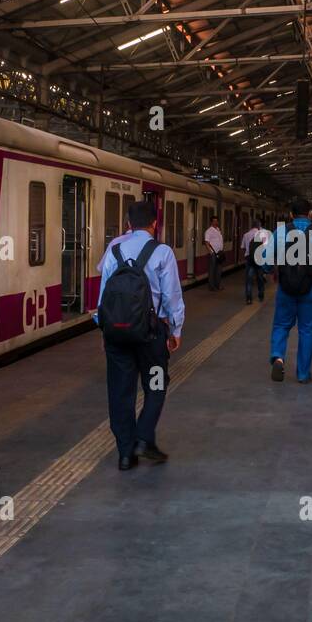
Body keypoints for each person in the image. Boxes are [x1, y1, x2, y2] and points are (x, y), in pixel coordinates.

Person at [97, 198, 185, 470]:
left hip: (118, 336)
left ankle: (125, 454)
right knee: (156, 384)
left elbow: (104, 294)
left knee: (120, 392)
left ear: (128, 224)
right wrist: (176, 328)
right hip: (151, 334)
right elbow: (172, 295)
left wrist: (103, 324)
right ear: (155, 223)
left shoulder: (114, 249)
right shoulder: (163, 252)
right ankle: (145, 438)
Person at [269, 198, 312, 384]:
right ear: (310, 214)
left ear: (291, 214)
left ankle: (278, 357)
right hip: (310, 287)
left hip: (285, 287)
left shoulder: (281, 231)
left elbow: (266, 260)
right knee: (307, 329)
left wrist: (273, 271)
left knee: (281, 325)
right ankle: (303, 374)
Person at [240, 217, 271, 304]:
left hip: (249, 260)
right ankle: (261, 295)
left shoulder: (246, 235)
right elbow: (266, 248)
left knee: (249, 279)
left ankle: (249, 298)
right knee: (260, 278)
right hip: (259, 259)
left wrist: (248, 254)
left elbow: (243, 247)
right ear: (258, 226)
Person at [204, 214, 224, 291]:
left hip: (220, 253)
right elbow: (206, 242)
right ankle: (212, 287)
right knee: (212, 270)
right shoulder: (209, 231)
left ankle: (218, 285)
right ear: (211, 222)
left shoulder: (218, 230)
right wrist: (211, 252)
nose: (216, 222)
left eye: (216, 221)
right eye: (214, 221)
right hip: (213, 254)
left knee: (219, 270)